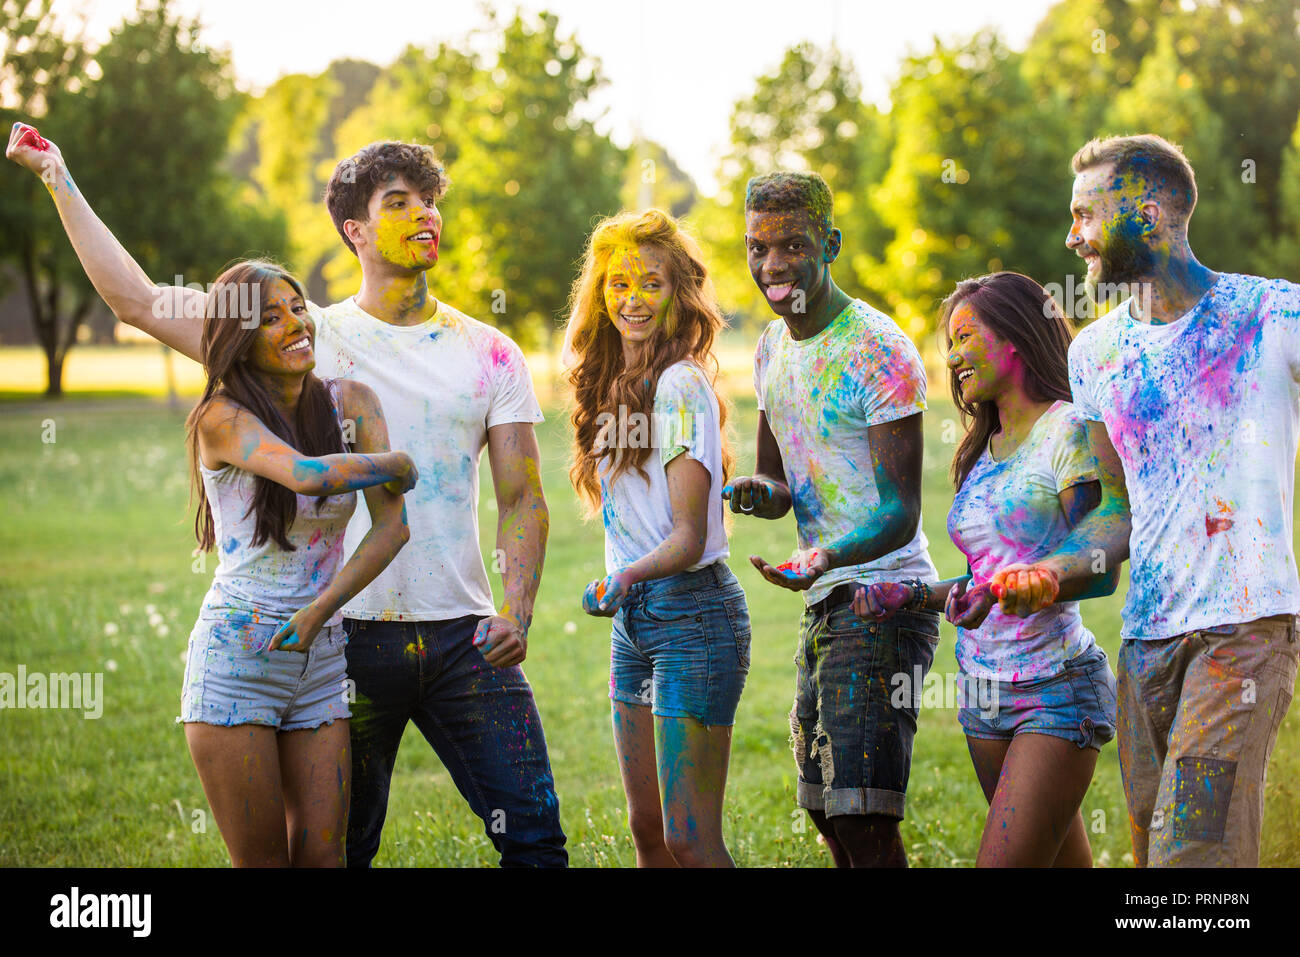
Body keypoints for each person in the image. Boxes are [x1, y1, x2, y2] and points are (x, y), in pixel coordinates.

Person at [6, 121, 567, 867]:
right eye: (401, 201)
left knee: (535, 838)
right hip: (346, 638)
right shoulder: (297, 330)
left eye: (431, 199)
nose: (426, 213)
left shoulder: (490, 350)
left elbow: (523, 495)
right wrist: (57, 176)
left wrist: (517, 609)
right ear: (354, 230)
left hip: (463, 632)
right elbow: (137, 300)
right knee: (336, 854)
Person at [993, 133, 1300, 867]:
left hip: (1243, 634)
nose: (1073, 237)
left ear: (1153, 214)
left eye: (1086, 216)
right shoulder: (1094, 353)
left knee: (1191, 852)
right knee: (1150, 850)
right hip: (1147, 642)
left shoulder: (1274, 315)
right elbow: (1116, 512)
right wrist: (1052, 570)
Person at [855, 272, 1119, 866]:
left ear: (1016, 338)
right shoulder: (984, 450)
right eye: (949, 342)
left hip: (1054, 689)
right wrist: (914, 595)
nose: (952, 357)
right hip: (982, 693)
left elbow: (1099, 565)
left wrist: (1031, 584)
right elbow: (987, 583)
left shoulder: (1067, 430)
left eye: (966, 337)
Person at [724, 171, 939, 867]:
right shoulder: (769, 349)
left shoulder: (878, 346)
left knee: (863, 816)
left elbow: (900, 513)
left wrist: (821, 557)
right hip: (825, 600)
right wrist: (754, 492)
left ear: (832, 243)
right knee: (826, 810)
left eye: (792, 244)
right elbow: (777, 482)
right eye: (758, 247)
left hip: (883, 600)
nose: (773, 264)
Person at [564, 209, 749, 867]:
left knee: (689, 837)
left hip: (693, 616)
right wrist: (625, 584)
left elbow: (689, 537)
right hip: (635, 624)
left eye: (651, 284)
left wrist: (624, 577)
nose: (632, 300)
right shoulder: (616, 384)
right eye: (619, 284)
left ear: (680, 293)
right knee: (647, 830)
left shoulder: (679, 384)